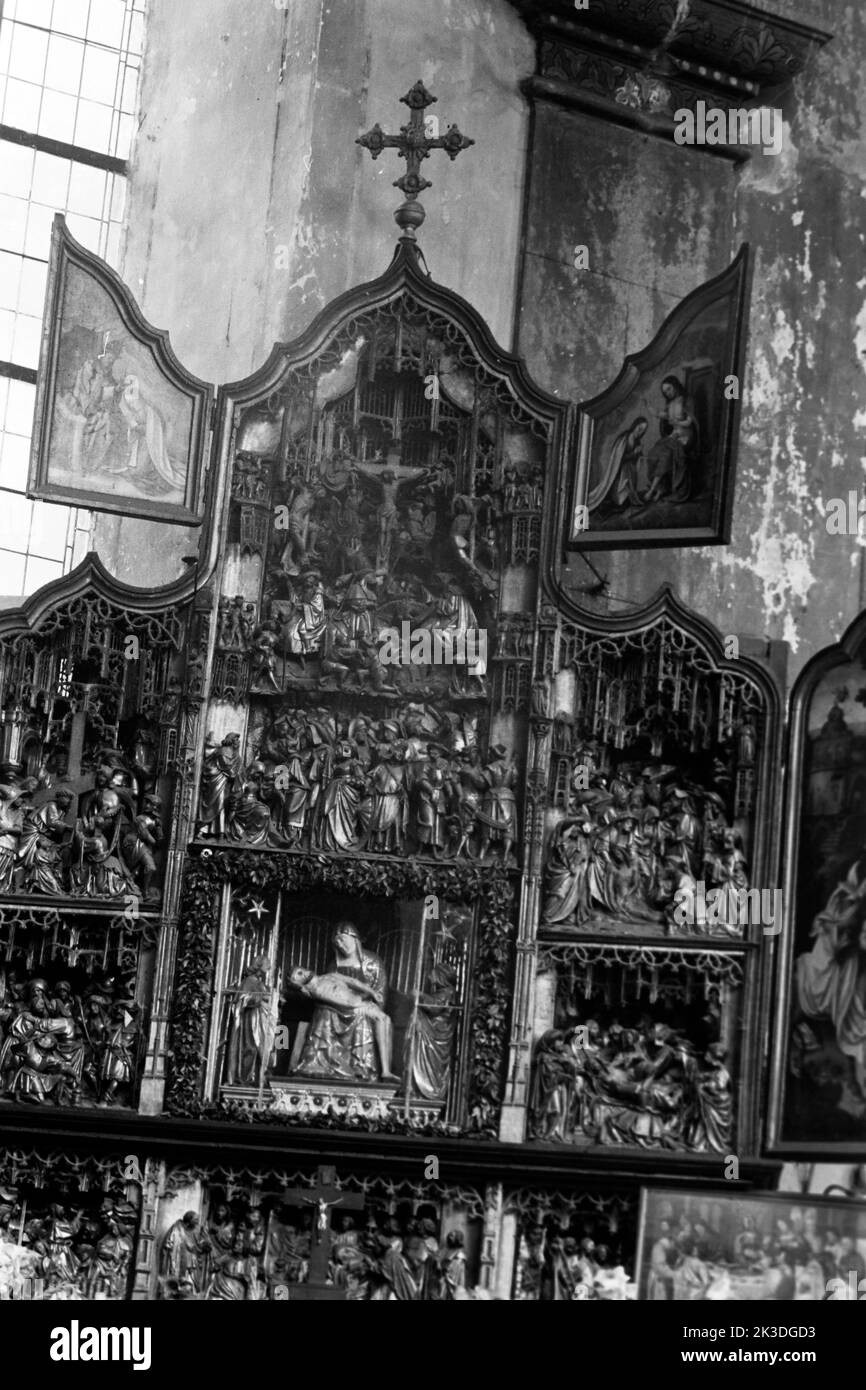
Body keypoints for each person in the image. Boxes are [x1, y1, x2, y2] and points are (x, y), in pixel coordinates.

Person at [294, 922, 395, 1082]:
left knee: (377, 1019)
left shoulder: (373, 962)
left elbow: (379, 991)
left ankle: (368, 1068)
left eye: (343, 939)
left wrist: (370, 999)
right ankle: (324, 1065)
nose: (340, 945)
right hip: (339, 1008)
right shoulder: (333, 965)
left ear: (355, 939)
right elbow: (327, 993)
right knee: (325, 1014)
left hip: (364, 1005)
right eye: (337, 943)